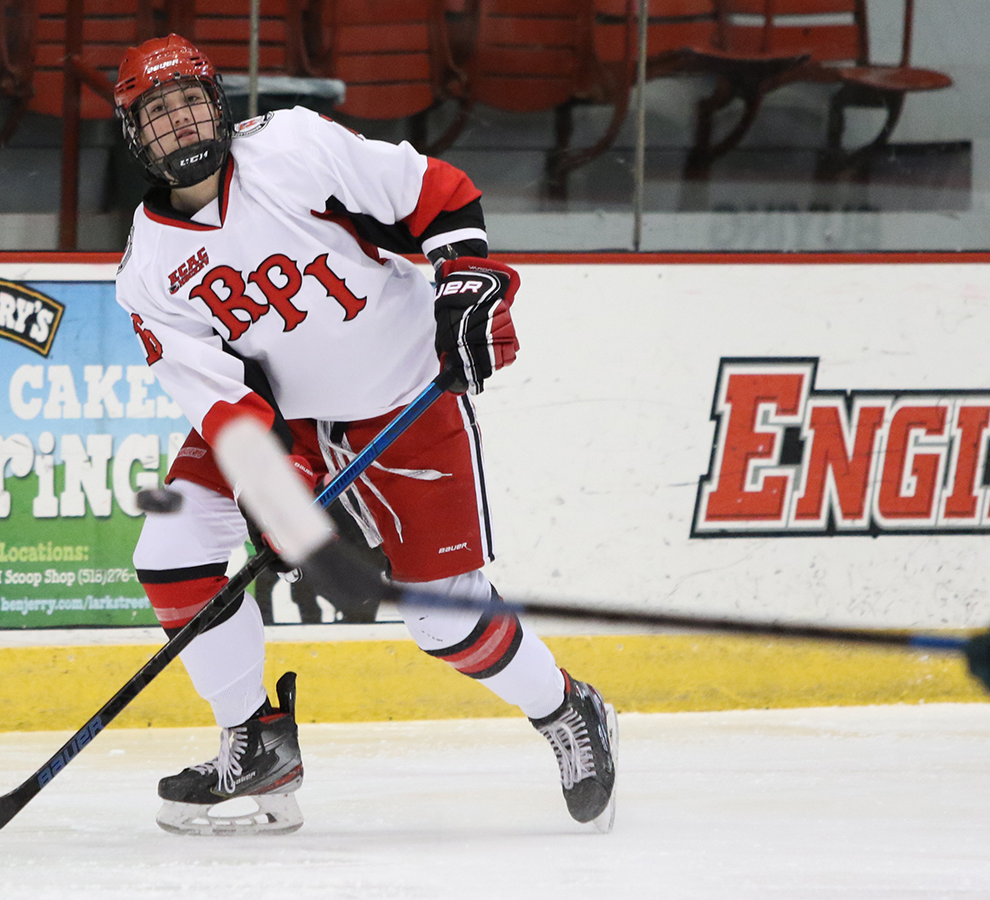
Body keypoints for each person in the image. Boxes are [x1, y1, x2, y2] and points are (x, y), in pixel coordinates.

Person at [112, 34, 618, 836]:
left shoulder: (292, 147)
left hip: (404, 392)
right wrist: (288, 511)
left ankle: (567, 709)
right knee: (172, 547)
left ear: (218, 105)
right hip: (289, 423)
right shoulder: (146, 272)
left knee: (443, 619)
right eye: (157, 113)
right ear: (135, 135)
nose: (179, 123)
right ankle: (257, 742)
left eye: (188, 102)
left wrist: (467, 281)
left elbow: (437, 194)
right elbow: (227, 408)